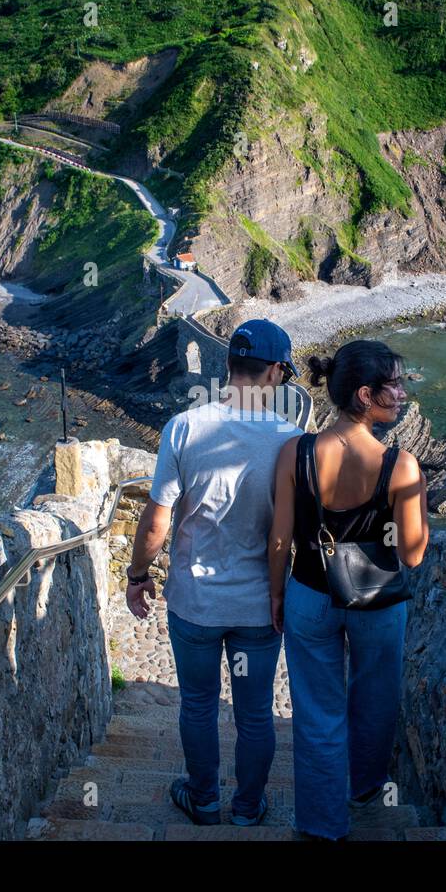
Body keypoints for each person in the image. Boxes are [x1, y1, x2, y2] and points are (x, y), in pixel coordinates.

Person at [125, 319, 301, 827]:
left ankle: (203, 801)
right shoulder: (291, 441)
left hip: (195, 603)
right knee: (255, 714)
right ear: (275, 373)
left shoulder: (184, 427)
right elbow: (287, 534)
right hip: (258, 607)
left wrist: (139, 576)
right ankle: (248, 808)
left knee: (198, 706)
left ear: (228, 366)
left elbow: (157, 520)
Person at [267, 339, 429, 841]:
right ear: (365, 394)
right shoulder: (400, 465)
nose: (402, 394)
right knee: (376, 699)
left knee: (317, 710)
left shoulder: (296, 452)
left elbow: (279, 536)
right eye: (394, 386)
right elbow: (413, 554)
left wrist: (277, 596)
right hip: (377, 603)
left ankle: (320, 824)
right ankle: (363, 788)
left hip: (310, 594)